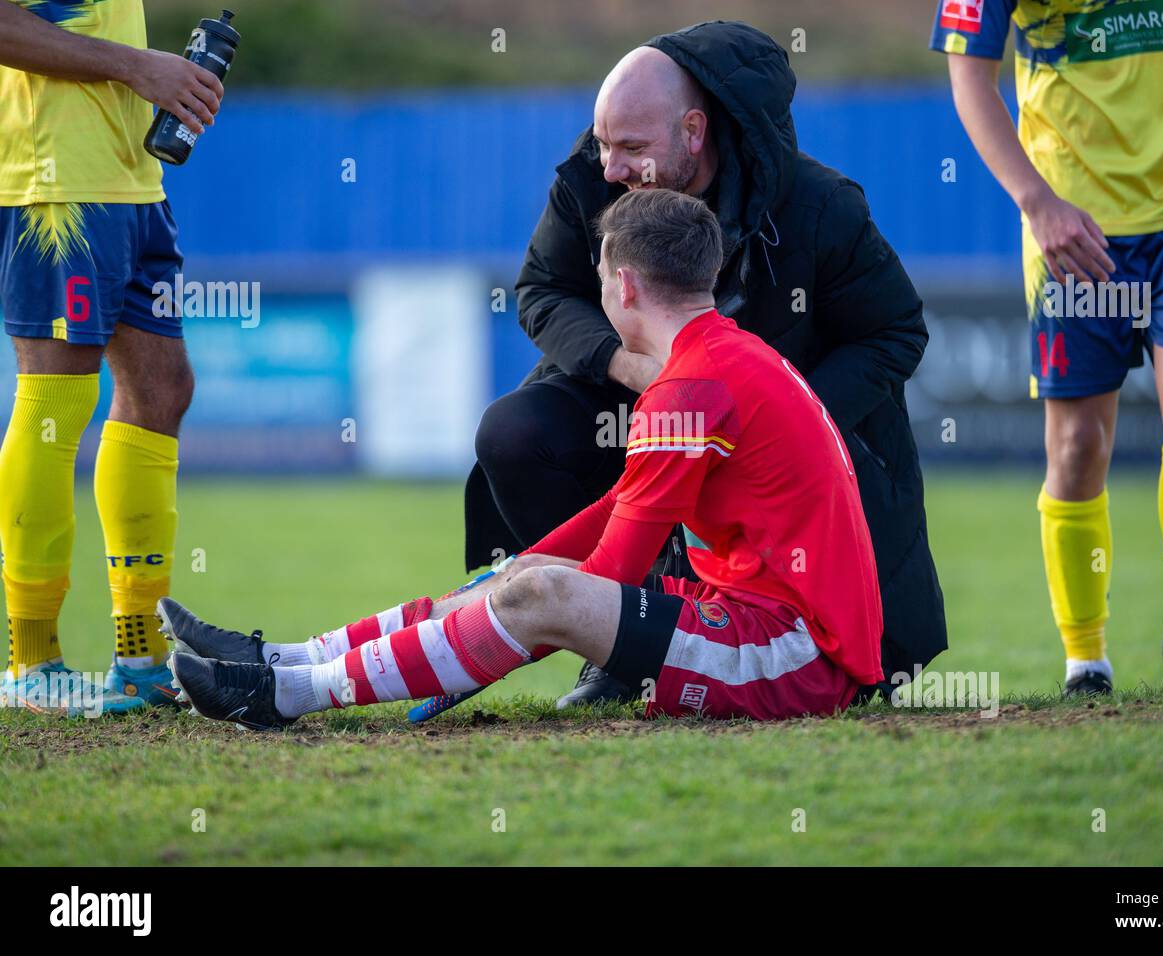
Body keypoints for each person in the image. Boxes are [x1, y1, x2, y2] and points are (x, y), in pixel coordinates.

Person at [164, 189, 885, 729]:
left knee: (540, 596)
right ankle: (286, 661)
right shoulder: (723, 357)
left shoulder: (688, 387)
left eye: (600, 273)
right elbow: (613, 512)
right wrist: (508, 585)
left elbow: (608, 580)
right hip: (768, 625)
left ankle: (287, 694)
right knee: (526, 581)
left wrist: (497, 631)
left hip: (797, 659)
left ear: (623, 285)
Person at [466, 20, 946, 707]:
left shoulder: (820, 206)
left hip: (782, 431)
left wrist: (780, 422)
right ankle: (618, 647)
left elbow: (895, 332)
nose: (610, 169)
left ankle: (779, 644)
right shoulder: (592, 180)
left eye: (631, 148)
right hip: (634, 402)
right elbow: (543, 291)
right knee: (514, 433)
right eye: (603, 144)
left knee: (869, 664)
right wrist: (627, 368)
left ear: (695, 131)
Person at [932, 0, 1163, 695]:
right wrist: (1037, 201)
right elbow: (969, 75)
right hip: (1075, 224)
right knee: (1078, 445)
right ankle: (1085, 661)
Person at [0, 0, 222, 713]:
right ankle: (30, 660)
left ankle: (140, 653)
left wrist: (169, 79)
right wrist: (140, 67)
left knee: (163, 389)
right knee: (57, 399)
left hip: (132, 181)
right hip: (56, 184)